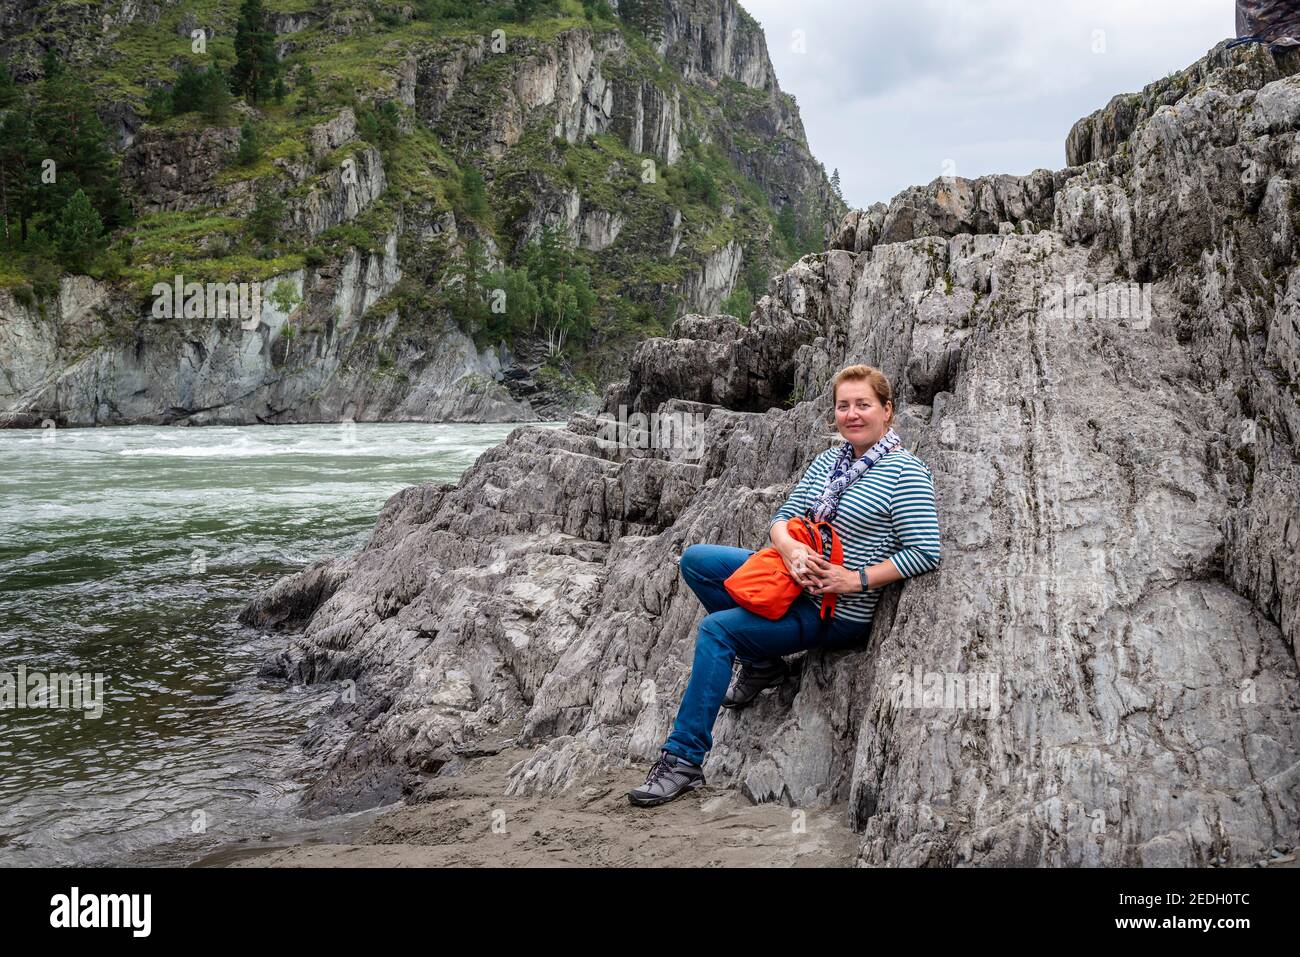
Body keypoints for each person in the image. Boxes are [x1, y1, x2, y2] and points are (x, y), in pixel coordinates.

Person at [627, 364, 942, 807]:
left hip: (833, 610)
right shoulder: (829, 462)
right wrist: (792, 551)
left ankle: (682, 760)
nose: (852, 414)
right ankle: (764, 664)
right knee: (697, 560)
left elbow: (925, 551)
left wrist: (854, 579)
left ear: (887, 411)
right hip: (791, 578)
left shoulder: (905, 473)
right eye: (843, 405)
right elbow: (781, 519)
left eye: (863, 405)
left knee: (717, 630)